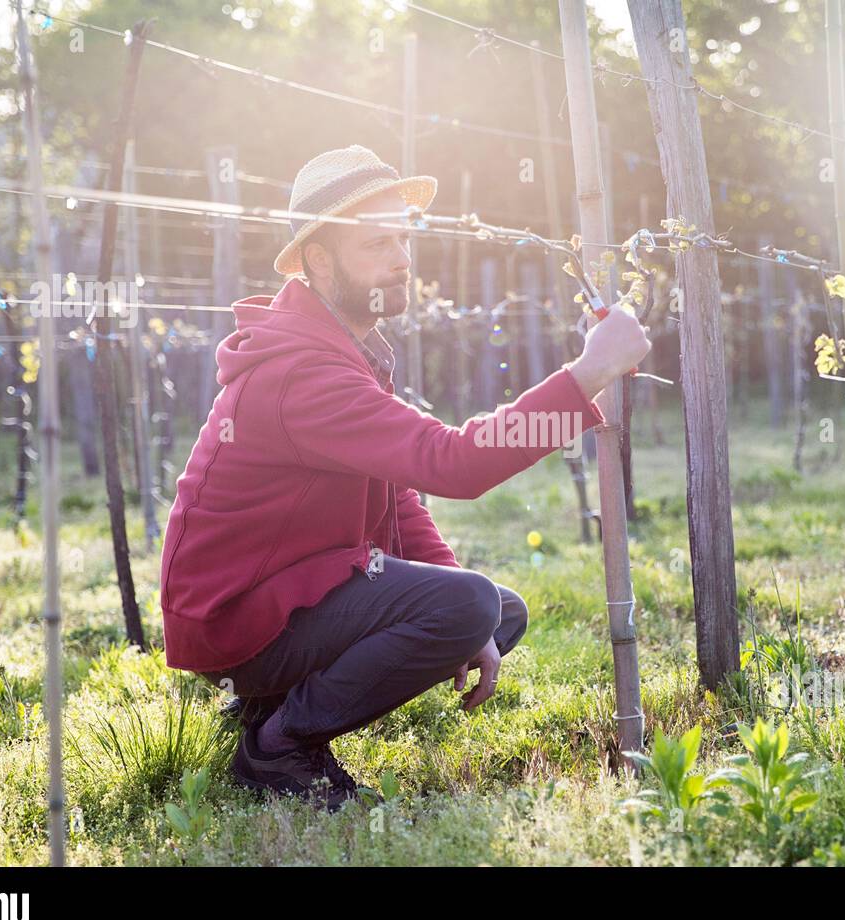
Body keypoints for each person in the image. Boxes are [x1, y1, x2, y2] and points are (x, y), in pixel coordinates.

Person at [158, 144, 650, 809]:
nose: (401, 258)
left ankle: (271, 709)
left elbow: (400, 493)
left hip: (288, 597)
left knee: (494, 610)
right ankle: (277, 747)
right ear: (321, 261)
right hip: (239, 622)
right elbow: (455, 462)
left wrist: (457, 604)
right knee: (471, 603)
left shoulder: (341, 350)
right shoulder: (302, 373)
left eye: (403, 238)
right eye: (376, 243)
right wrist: (586, 374)